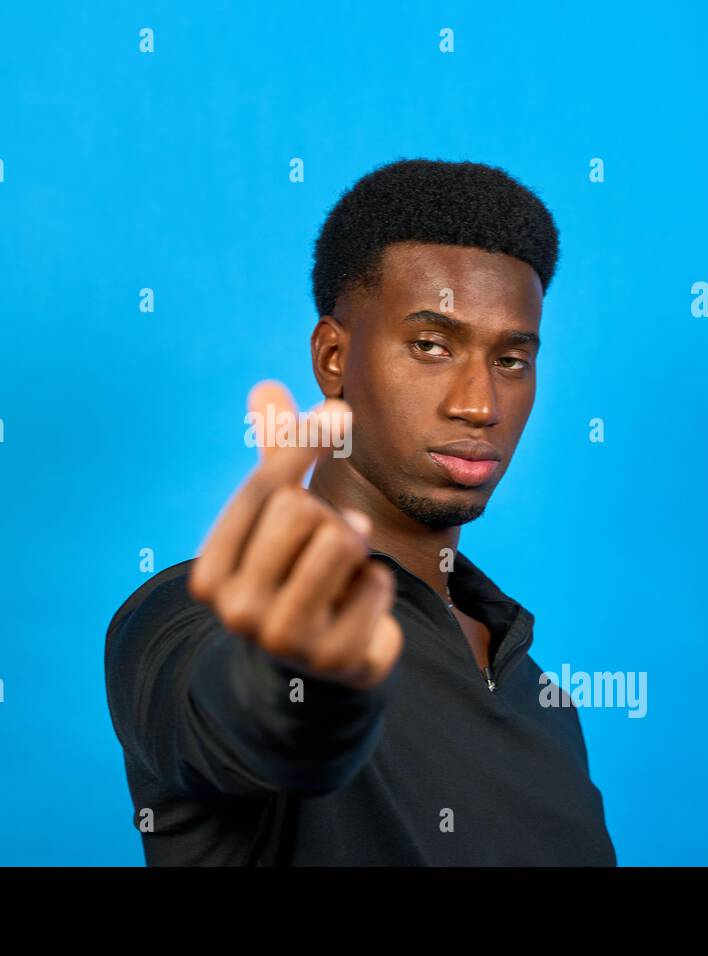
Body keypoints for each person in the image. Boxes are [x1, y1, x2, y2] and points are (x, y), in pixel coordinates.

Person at [104, 158, 616, 865]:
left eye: (510, 360)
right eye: (432, 346)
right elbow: (236, 724)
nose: (479, 405)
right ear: (333, 356)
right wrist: (306, 672)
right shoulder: (195, 616)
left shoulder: (541, 697)